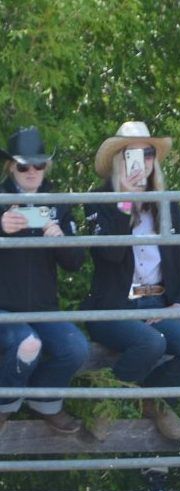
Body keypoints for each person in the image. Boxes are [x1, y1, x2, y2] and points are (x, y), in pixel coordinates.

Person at [82, 121, 180, 441]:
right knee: (152, 343)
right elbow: (108, 257)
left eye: (148, 153)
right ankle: (106, 406)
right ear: (118, 160)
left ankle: (153, 399)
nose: (142, 161)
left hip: (158, 305)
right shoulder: (100, 200)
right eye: (131, 154)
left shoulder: (167, 204)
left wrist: (178, 305)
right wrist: (127, 203)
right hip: (113, 307)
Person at [0, 126, 88, 435]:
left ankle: (44, 402)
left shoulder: (58, 203)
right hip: (4, 312)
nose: (32, 171)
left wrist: (60, 239)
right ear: (11, 166)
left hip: (44, 310)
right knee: (28, 344)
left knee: (76, 348)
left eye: (39, 164)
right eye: (24, 165)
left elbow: (76, 263)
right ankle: (4, 406)